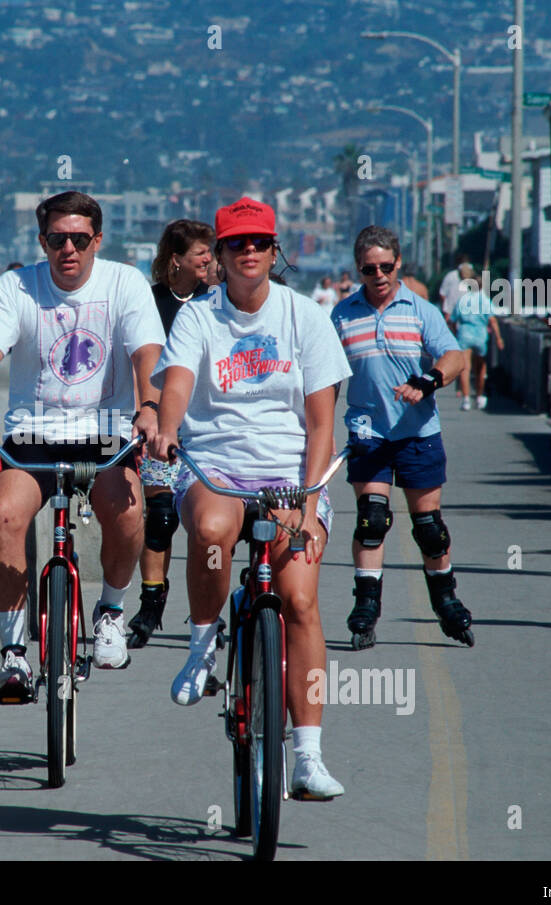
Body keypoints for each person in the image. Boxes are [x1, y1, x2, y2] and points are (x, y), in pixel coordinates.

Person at [150, 197, 352, 800]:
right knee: (211, 532)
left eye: (258, 242)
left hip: (292, 479)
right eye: (235, 243)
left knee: (300, 602)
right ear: (221, 251)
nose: (248, 253)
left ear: (273, 249)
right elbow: (179, 382)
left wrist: (309, 506)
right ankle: (202, 647)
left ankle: (309, 755)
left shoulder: (304, 316)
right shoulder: (198, 316)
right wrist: (165, 425)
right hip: (216, 467)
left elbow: (321, 426)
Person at [0, 191, 165, 702]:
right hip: (33, 433)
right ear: (42, 240)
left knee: (127, 511)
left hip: (106, 432)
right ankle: (13, 655)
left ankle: (110, 612)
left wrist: (150, 409)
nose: (67, 249)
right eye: (56, 239)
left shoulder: (124, 283)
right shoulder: (17, 287)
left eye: (78, 239)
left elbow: (147, 355)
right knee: (4, 515)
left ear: (97, 240)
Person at [330, 225, 472, 649]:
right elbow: (324, 378)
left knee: (429, 529)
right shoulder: (341, 314)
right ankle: (366, 609)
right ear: (358, 269)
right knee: (372, 521)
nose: (379, 275)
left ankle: (446, 603)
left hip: (417, 432)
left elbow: (455, 356)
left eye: (386, 267)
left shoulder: (420, 309)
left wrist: (427, 381)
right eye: (369, 268)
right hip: (368, 431)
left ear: (398, 264)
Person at [128, 218, 215, 649]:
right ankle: (151, 604)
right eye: (201, 254)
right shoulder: (150, 302)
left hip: (207, 428)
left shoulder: (217, 301)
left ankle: (210, 610)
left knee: (207, 525)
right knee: (160, 519)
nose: (209, 261)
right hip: (161, 425)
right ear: (175, 259)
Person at [449, 262, 505, 410]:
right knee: (480, 367)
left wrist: (455, 333)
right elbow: (492, 320)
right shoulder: (486, 300)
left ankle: (466, 399)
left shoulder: (463, 300)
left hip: (464, 333)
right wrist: (499, 338)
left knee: (465, 368)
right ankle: (479, 396)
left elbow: (453, 320)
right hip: (480, 334)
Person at [438, 252, 469, 319]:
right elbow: (442, 294)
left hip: (460, 311)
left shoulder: (470, 276)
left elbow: (442, 294)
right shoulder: (451, 276)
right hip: (452, 311)